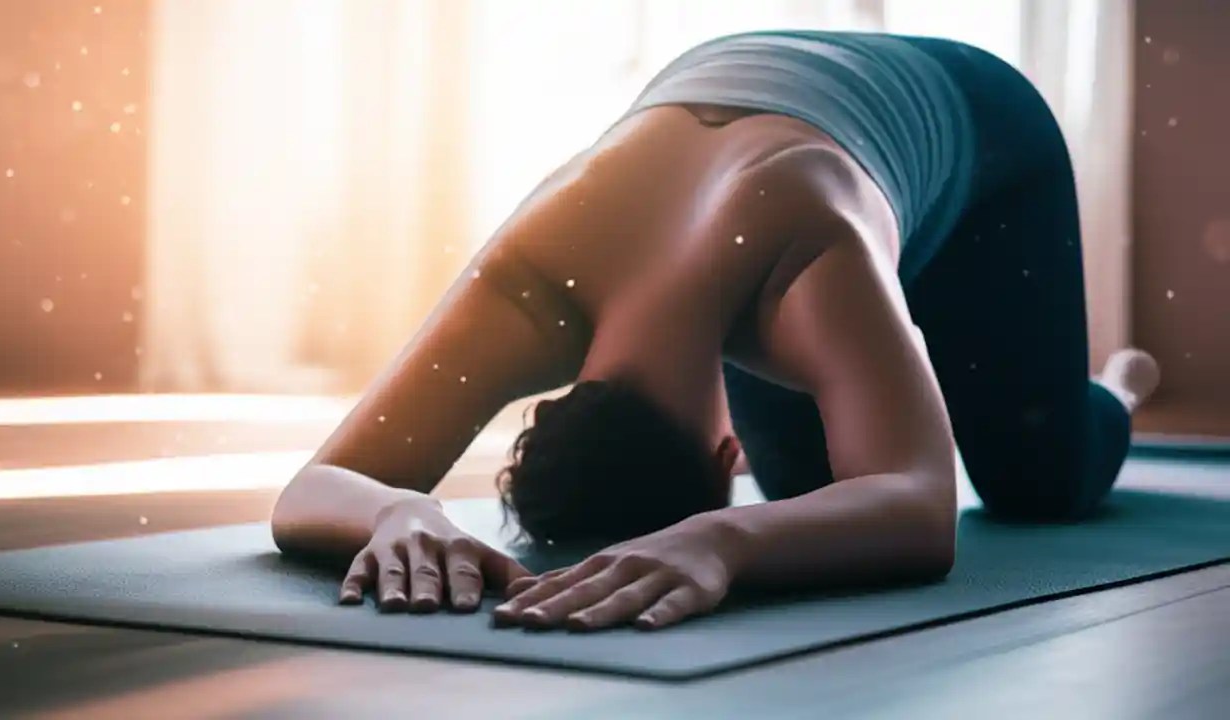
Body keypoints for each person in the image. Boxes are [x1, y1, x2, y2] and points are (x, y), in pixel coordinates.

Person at [270, 30, 1161, 633]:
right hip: (754, 96)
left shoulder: (804, 261)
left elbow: (924, 509)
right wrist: (396, 507)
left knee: (1037, 481)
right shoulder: (530, 286)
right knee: (811, 491)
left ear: (722, 458)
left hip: (983, 123)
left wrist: (722, 539)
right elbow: (314, 488)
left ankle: (1115, 386)